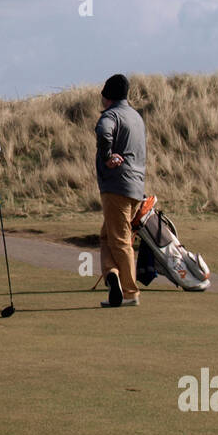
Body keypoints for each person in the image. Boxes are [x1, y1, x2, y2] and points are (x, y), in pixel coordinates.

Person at [94, 74, 146, 308]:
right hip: (136, 186)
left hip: (116, 186)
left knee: (120, 239)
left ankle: (130, 292)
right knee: (108, 236)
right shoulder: (136, 117)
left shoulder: (111, 115)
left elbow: (104, 132)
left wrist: (107, 157)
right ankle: (112, 274)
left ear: (108, 95)